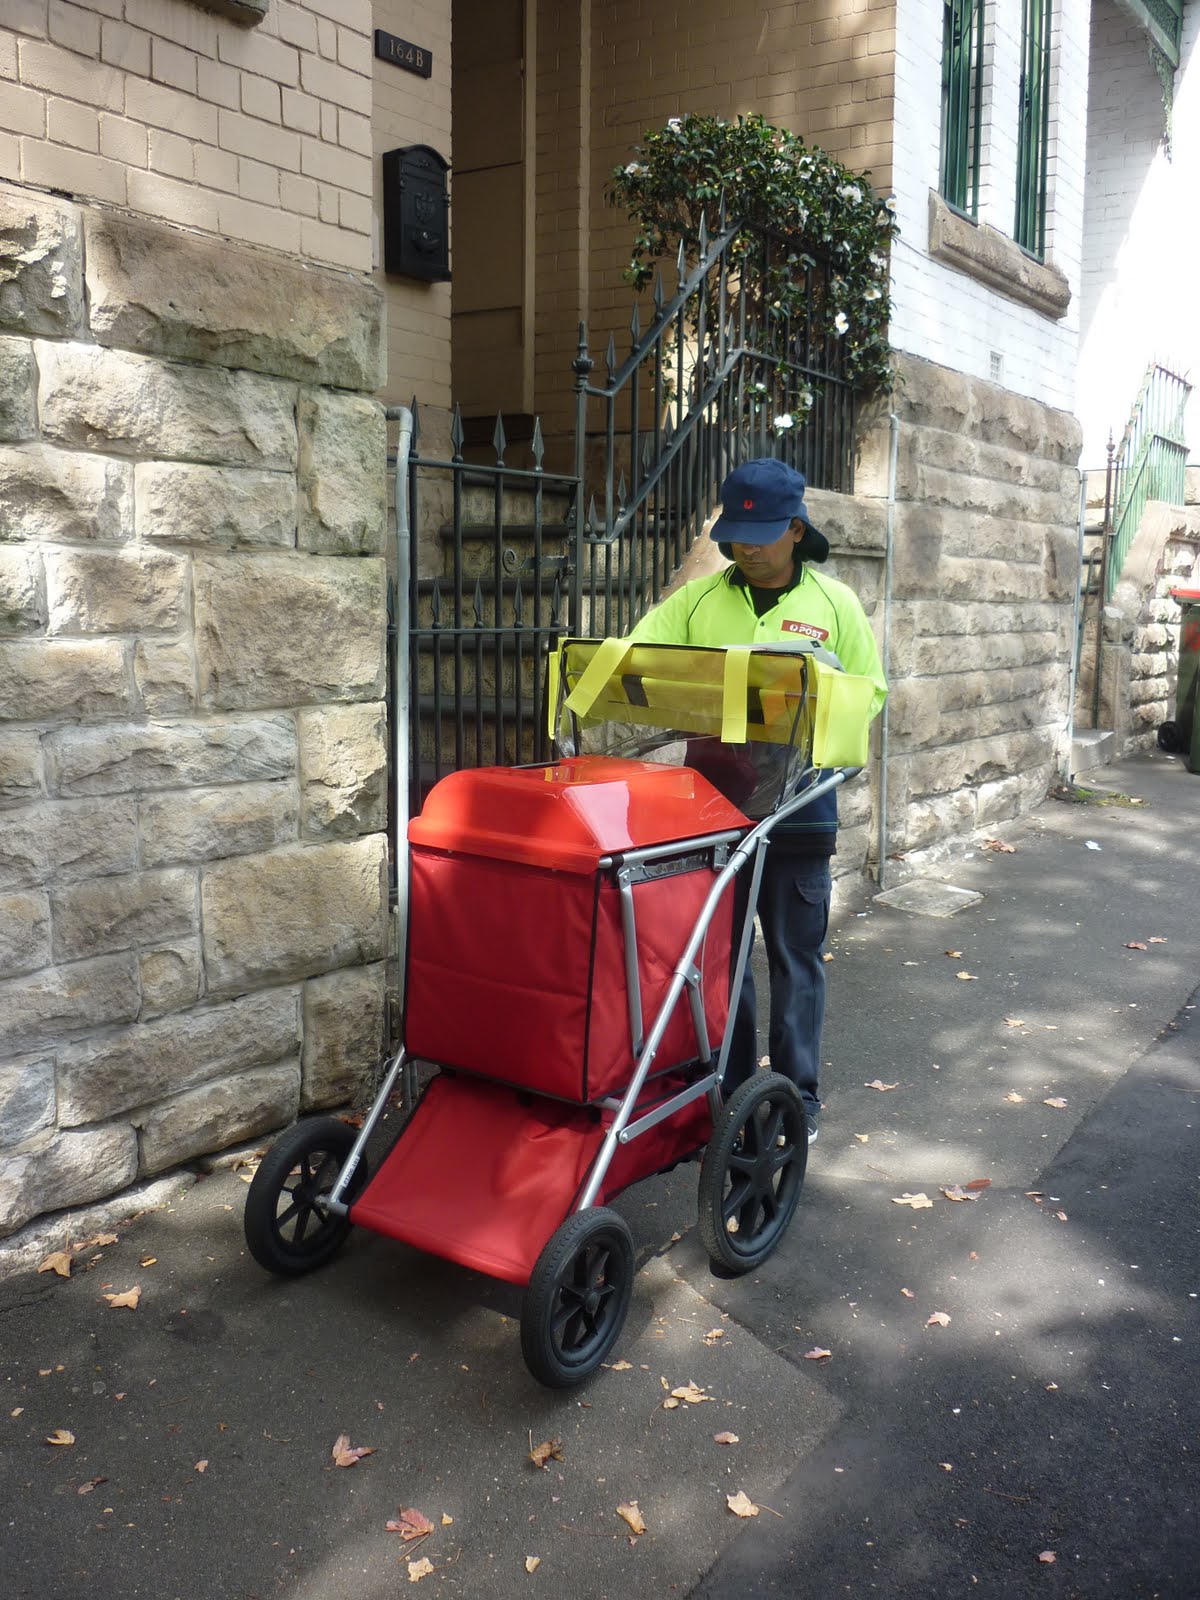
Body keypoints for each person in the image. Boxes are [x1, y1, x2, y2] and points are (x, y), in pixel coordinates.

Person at [629, 457, 887, 1142]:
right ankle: (736, 1094)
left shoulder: (836, 605)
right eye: (738, 535)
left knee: (796, 960)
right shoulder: (699, 600)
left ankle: (797, 1101)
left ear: (797, 530)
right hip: (712, 810)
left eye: (764, 534)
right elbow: (635, 657)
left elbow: (872, 691)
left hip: (800, 811)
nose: (747, 548)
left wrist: (824, 721)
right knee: (723, 961)